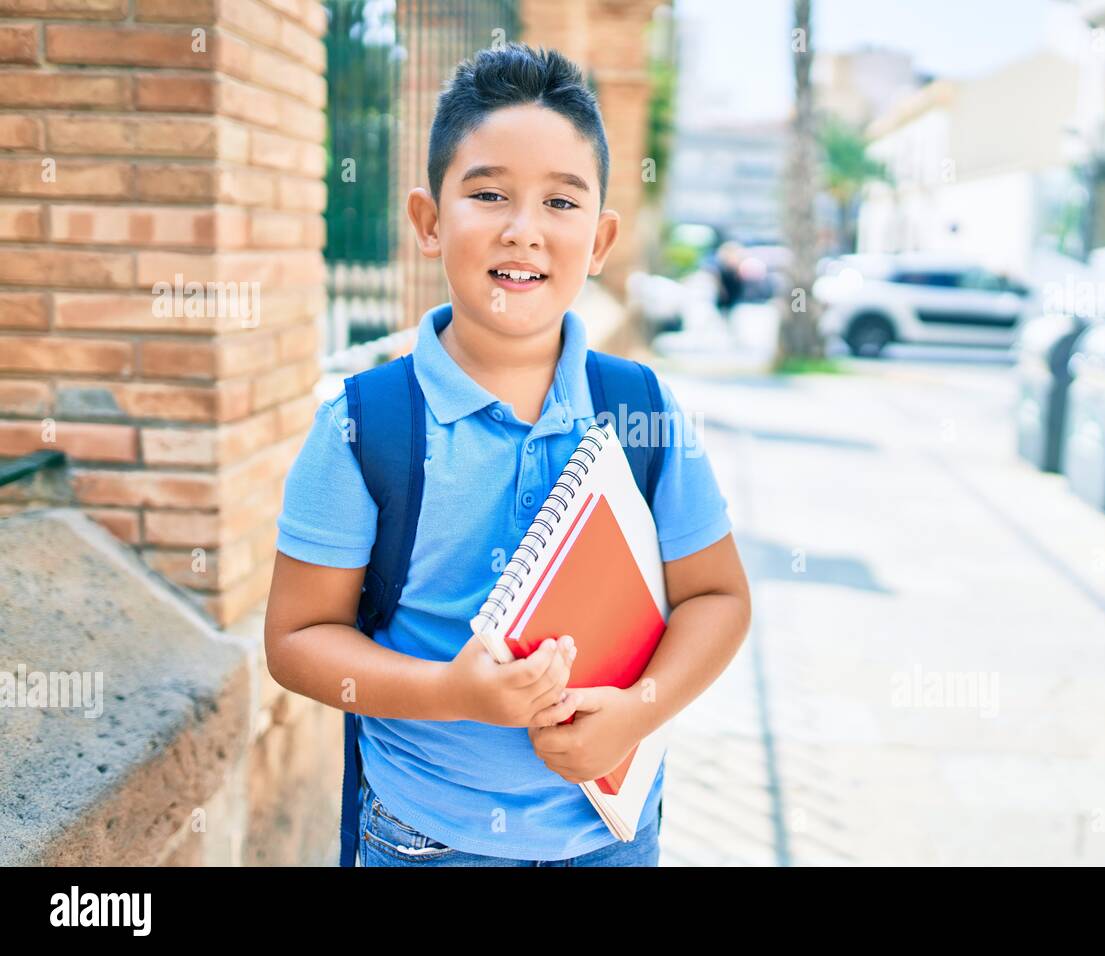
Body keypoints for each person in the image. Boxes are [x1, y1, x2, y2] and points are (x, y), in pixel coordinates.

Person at [264, 43, 751, 867]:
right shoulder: (362, 427)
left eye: (561, 202)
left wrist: (638, 712)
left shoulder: (643, 411)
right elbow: (298, 638)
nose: (523, 230)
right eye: (488, 193)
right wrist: (451, 693)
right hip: (423, 837)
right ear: (428, 221)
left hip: (610, 838)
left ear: (599, 241)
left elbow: (718, 599)